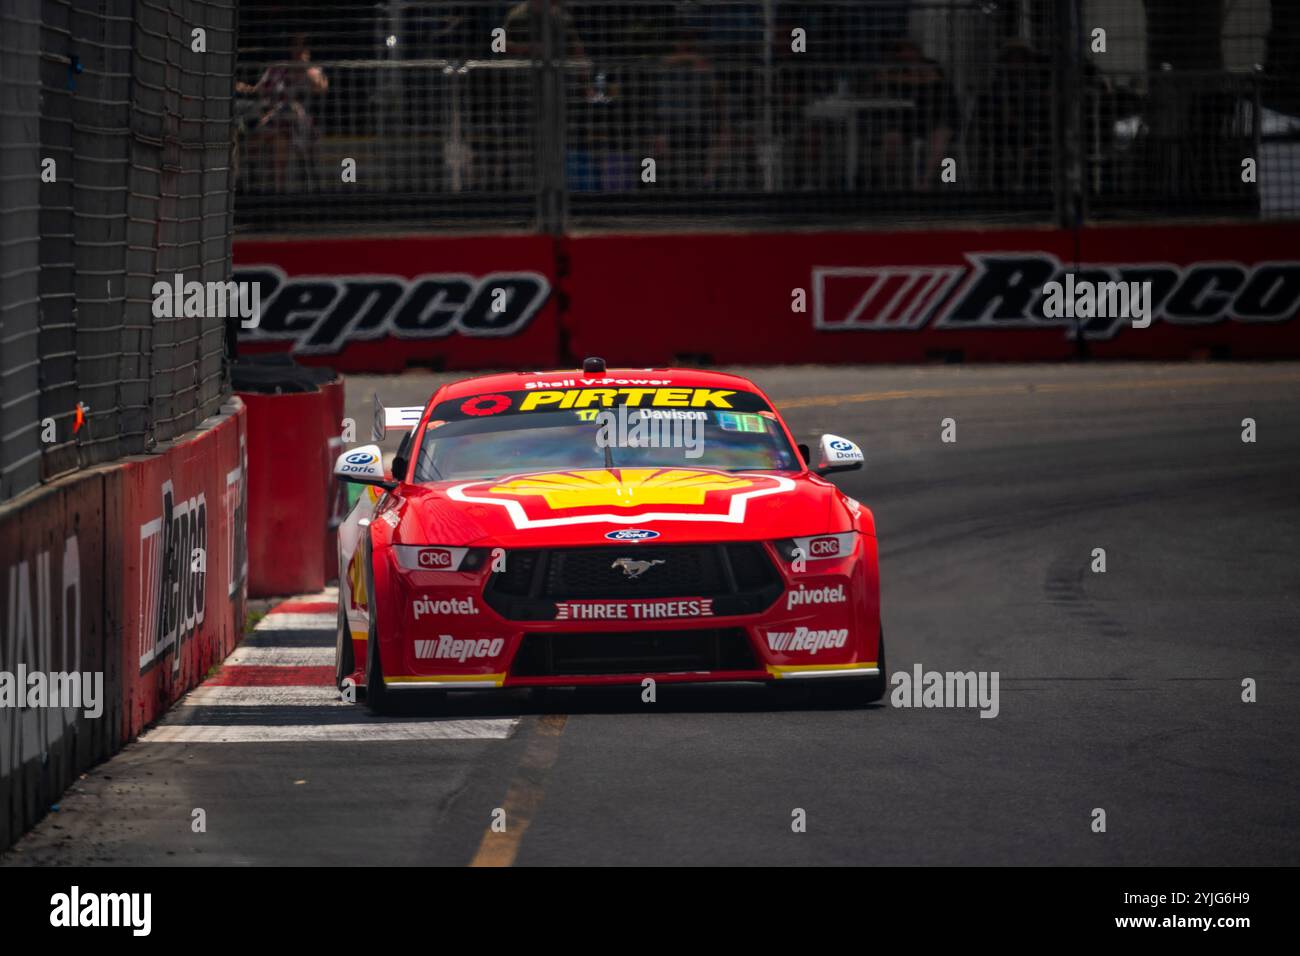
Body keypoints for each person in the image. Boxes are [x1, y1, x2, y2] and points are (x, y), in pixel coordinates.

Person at [236, 34, 328, 192]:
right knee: (252, 138)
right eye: (296, 45)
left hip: (297, 120)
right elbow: (258, 90)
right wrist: (241, 86)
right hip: (272, 117)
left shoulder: (311, 70)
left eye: (302, 45)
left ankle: (279, 189)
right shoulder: (278, 68)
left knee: (282, 137)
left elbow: (322, 88)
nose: (298, 49)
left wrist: (305, 67)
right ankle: (248, 184)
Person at [868, 38, 960, 190]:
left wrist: (892, 77)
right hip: (910, 121)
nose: (904, 55)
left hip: (941, 118)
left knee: (939, 140)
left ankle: (926, 182)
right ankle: (887, 183)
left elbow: (928, 79)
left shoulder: (930, 65)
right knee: (891, 139)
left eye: (906, 51)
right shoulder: (897, 69)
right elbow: (877, 80)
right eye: (899, 52)